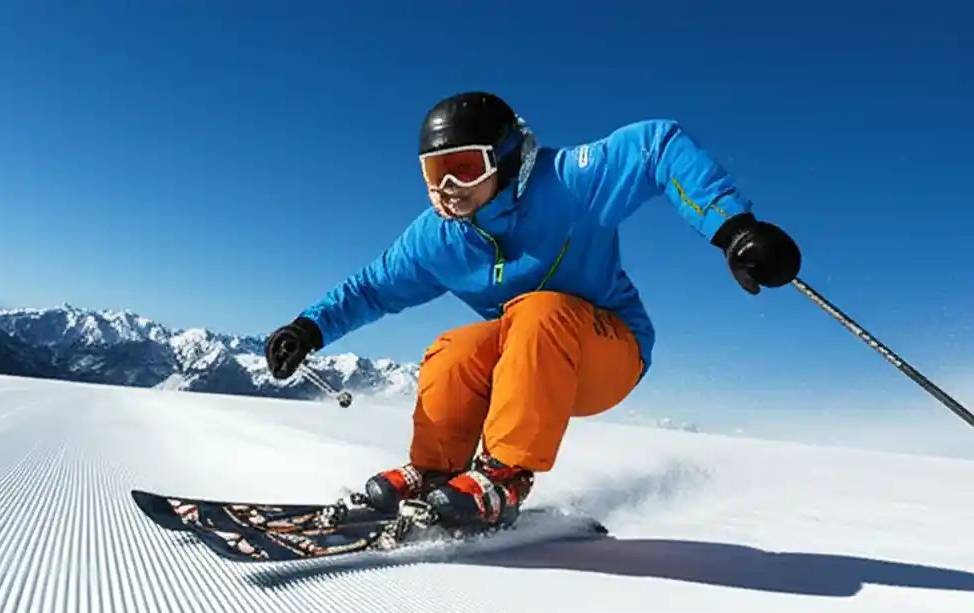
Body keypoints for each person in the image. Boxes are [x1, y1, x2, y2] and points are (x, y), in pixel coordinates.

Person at [264, 91, 800, 529]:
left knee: (540, 310)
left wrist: (733, 228)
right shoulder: (438, 238)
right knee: (455, 348)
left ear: (504, 157)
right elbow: (371, 288)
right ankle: (435, 472)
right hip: (528, 365)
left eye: (463, 168)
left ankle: (504, 477)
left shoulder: (569, 183)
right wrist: (308, 328)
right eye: (434, 172)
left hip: (609, 355)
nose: (446, 190)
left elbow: (657, 144)